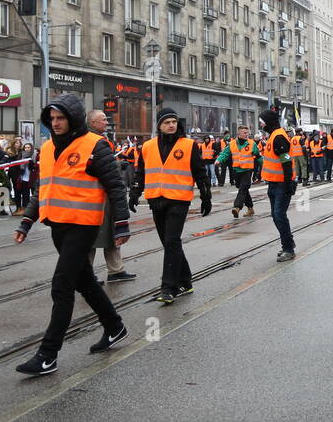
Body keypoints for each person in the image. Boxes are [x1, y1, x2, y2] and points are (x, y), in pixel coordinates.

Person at [13, 94, 130, 375]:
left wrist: (122, 223)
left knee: (61, 286)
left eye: (61, 118)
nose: (56, 123)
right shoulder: (48, 148)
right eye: (52, 119)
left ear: (73, 118)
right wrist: (27, 220)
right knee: (86, 283)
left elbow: (115, 186)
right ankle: (115, 327)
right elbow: (43, 188)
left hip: (83, 226)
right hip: (58, 226)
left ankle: (47, 355)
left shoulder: (94, 145)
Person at [131, 108, 211, 305]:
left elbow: (200, 173)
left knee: (172, 240)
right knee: (169, 243)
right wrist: (134, 192)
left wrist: (206, 196)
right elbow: (141, 172)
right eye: (167, 122)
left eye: (174, 122)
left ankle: (168, 287)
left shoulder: (189, 145)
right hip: (156, 200)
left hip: (179, 200)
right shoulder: (148, 146)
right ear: (159, 125)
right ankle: (185, 281)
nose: (171, 125)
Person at [86, 110, 136, 284]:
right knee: (91, 237)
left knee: (112, 232)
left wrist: (115, 164)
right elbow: (97, 165)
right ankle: (86, 274)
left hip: (105, 194)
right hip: (93, 196)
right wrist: (116, 164)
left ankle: (116, 270)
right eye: (103, 120)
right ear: (93, 123)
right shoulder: (90, 141)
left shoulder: (101, 140)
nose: (106, 123)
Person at [259, 108, 297, 261]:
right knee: (276, 216)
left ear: (268, 122)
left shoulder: (279, 137)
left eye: (262, 122)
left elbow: (286, 162)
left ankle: (289, 248)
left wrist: (289, 183)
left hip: (282, 184)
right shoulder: (273, 136)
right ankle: (287, 245)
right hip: (274, 184)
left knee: (279, 216)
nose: (261, 125)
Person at [229, 125, 257, 218]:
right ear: (239, 133)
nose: (246, 134)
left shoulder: (252, 143)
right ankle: (250, 208)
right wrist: (218, 160)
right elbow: (225, 153)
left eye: (247, 133)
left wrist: (265, 166)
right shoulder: (232, 143)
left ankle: (237, 207)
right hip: (237, 170)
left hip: (247, 170)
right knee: (242, 188)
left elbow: (259, 156)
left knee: (243, 188)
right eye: (244, 133)